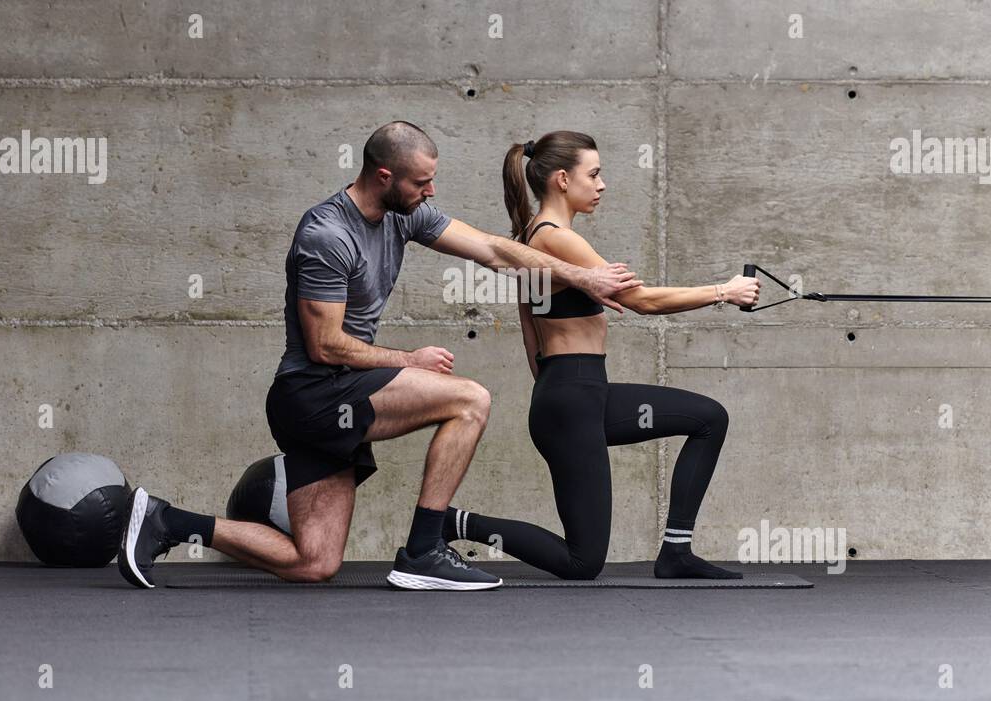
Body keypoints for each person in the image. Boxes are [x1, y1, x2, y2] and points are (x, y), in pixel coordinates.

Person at [118, 121, 641, 591]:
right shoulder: (327, 234)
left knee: (313, 562)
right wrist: (408, 361)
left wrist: (579, 276)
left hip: (337, 398)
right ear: (384, 176)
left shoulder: (403, 216)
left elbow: (492, 249)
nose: (430, 192)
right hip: (315, 392)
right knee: (469, 400)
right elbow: (324, 344)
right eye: (420, 183)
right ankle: (423, 551)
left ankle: (169, 521)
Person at [444, 131, 760, 580]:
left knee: (709, 418)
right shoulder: (556, 240)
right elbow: (642, 301)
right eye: (593, 174)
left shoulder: (529, 238)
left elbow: (530, 340)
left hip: (574, 395)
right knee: (583, 561)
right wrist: (723, 292)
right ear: (561, 180)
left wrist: (562, 396)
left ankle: (676, 552)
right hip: (574, 398)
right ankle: (451, 522)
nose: (602, 184)